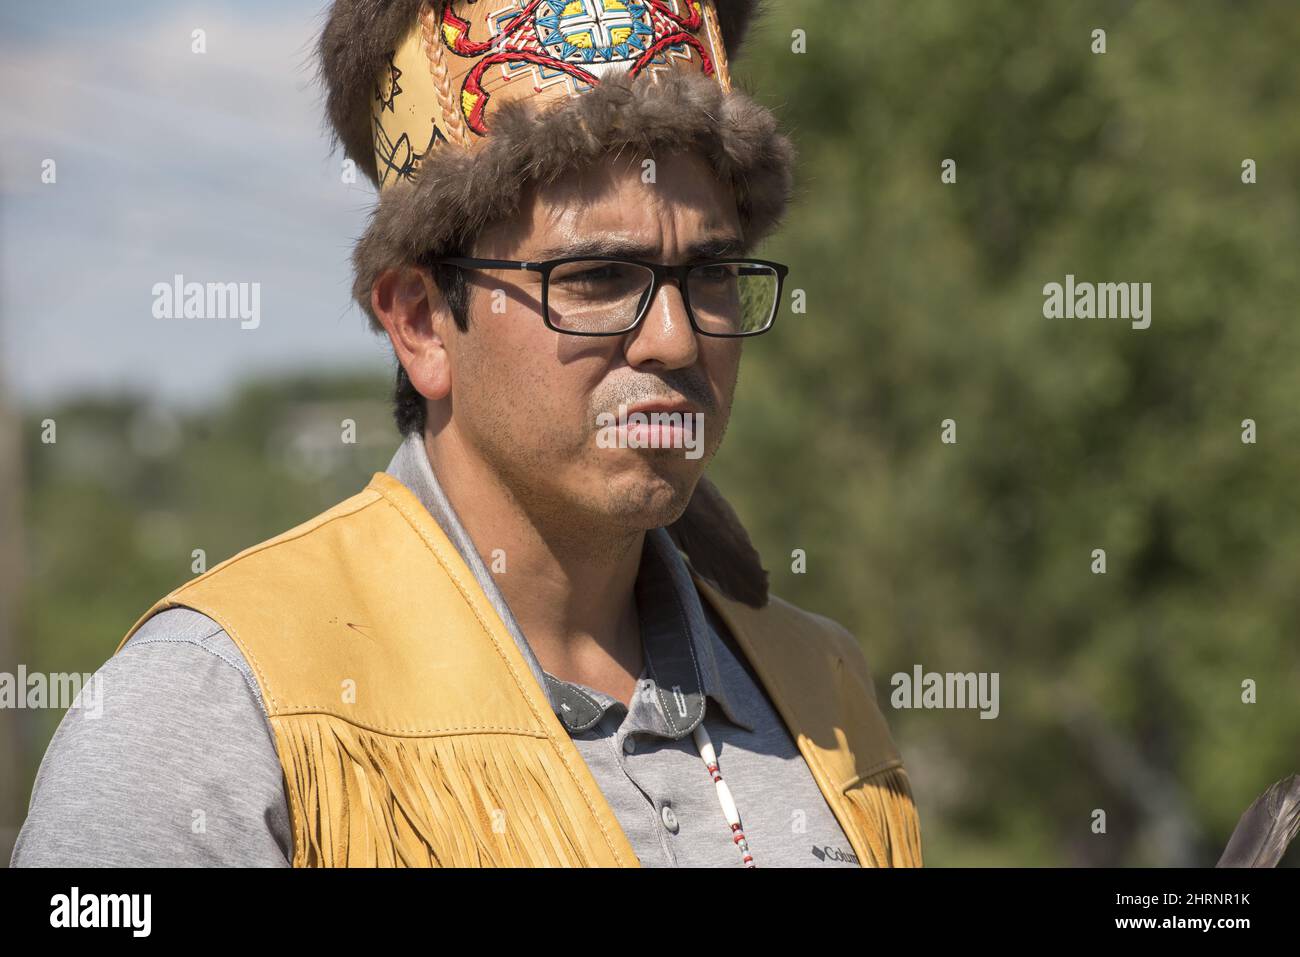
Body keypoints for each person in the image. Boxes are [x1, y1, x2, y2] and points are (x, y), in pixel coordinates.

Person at [11, 0, 922, 868]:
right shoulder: (216, 708)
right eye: (598, 275)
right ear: (421, 324)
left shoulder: (816, 688)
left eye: (712, 271)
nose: (676, 337)